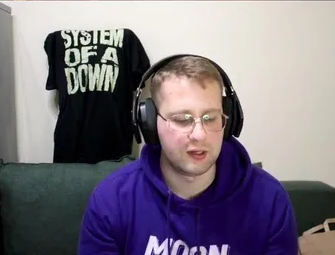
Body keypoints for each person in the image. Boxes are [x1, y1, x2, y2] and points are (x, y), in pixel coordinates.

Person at [78, 54, 298, 255]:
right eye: (182, 120)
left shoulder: (269, 200)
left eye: (210, 118)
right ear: (150, 124)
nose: (199, 135)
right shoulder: (112, 200)